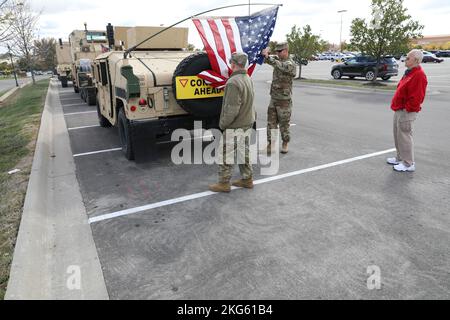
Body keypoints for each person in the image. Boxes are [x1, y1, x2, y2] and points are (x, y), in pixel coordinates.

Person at [209, 52, 255, 193]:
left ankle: (224, 183)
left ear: (233, 64)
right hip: (247, 121)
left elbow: (231, 109)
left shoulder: (233, 82)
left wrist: (223, 124)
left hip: (236, 125)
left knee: (226, 154)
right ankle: (247, 179)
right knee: (243, 152)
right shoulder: (247, 78)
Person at [387, 49, 428, 172]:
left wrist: (407, 109)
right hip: (399, 109)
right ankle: (400, 157)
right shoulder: (409, 72)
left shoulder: (419, 75)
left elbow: (417, 97)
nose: (405, 59)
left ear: (416, 60)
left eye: (408, 58)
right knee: (398, 135)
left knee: (405, 136)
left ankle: (408, 163)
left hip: (407, 111)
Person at [261, 42, 296, 154]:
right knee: (271, 123)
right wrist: (265, 52)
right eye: (276, 51)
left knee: (284, 124)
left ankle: (285, 143)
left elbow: (280, 66)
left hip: (284, 100)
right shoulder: (278, 60)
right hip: (274, 98)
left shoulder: (290, 63)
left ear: (285, 50)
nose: (277, 53)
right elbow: (268, 59)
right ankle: (270, 144)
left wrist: (269, 58)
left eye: (279, 51)